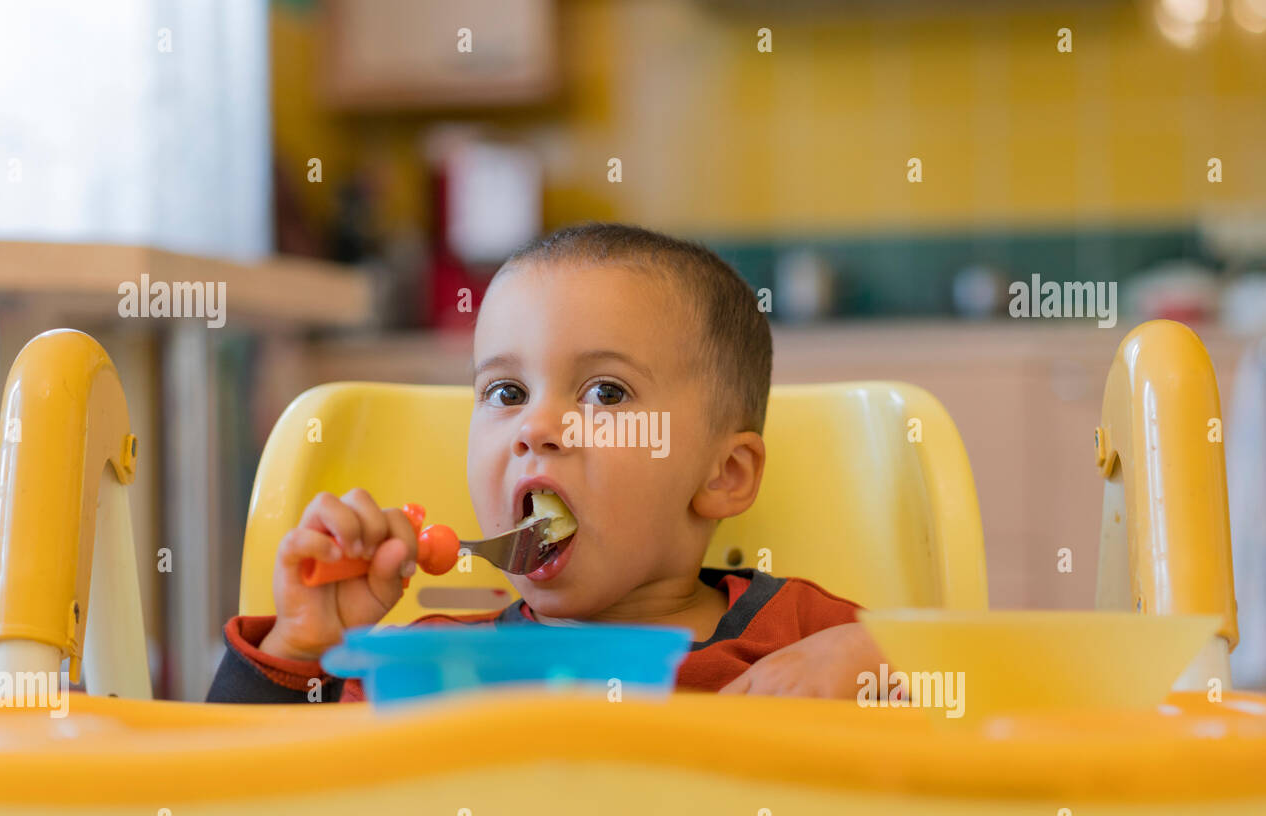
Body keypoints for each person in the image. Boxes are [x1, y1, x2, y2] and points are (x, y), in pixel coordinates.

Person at [207, 222, 888, 704]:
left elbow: (973, 706)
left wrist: (878, 662)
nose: (536, 427)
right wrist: (300, 652)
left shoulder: (805, 637)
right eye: (506, 393)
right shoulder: (429, 671)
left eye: (605, 393)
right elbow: (235, 809)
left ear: (724, 475)